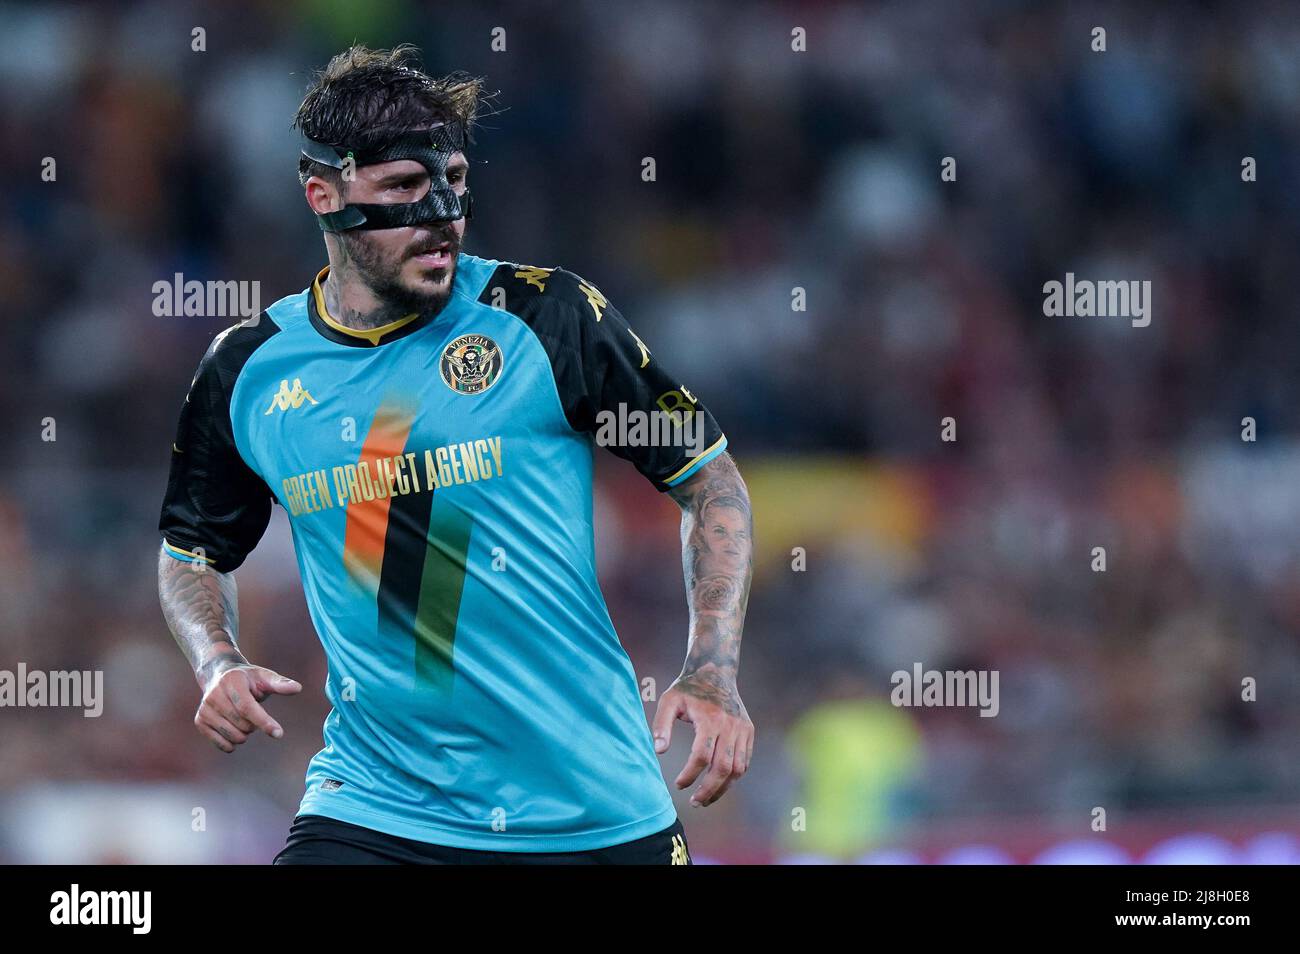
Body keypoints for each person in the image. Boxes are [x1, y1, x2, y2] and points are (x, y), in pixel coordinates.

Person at [156, 45, 754, 865]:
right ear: (322, 194)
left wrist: (711, 668)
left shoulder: (547, 317)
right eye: (404, 187)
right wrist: (215, 659)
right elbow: (192, 549)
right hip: (377, 807)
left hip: (589, 813)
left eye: (457, 182)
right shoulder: (247, 371)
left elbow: (709, 480)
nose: (442, 211)